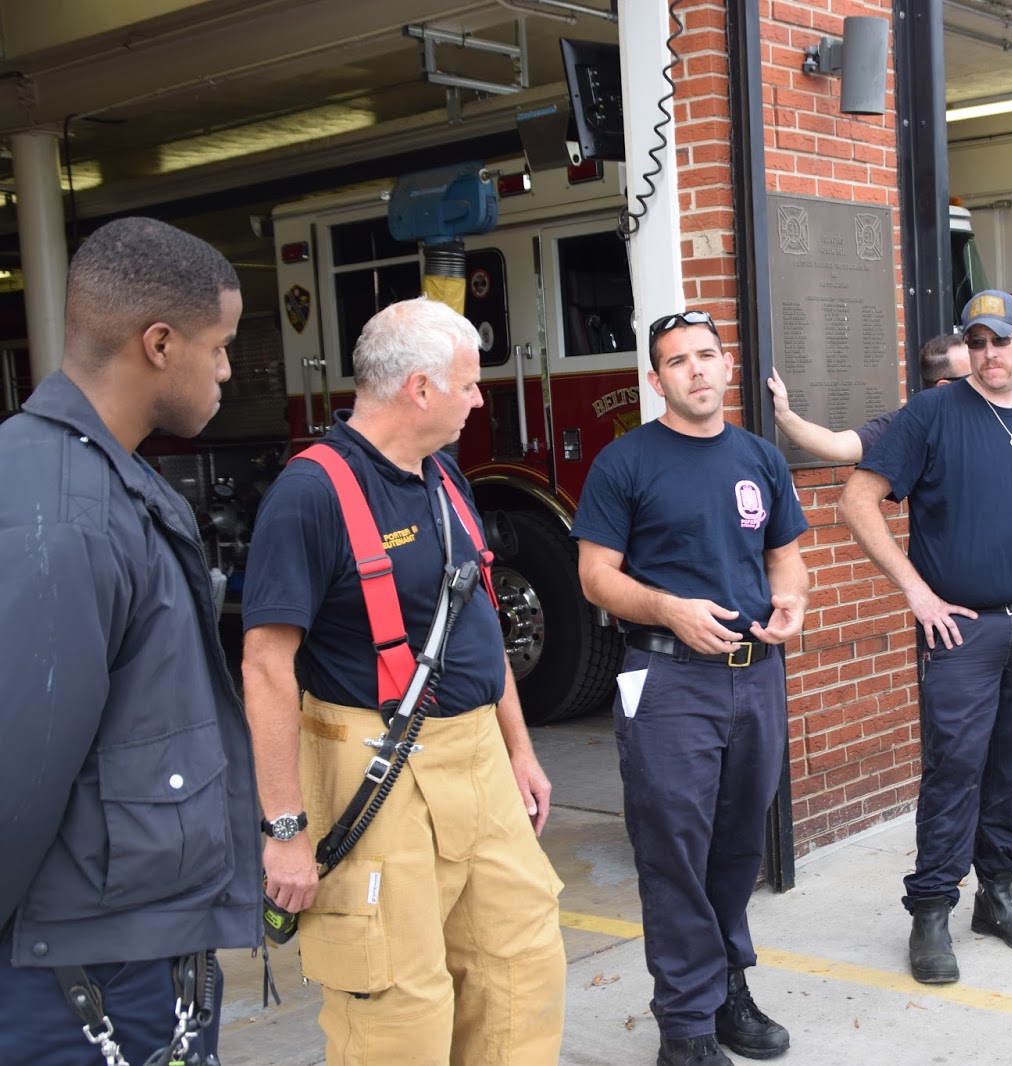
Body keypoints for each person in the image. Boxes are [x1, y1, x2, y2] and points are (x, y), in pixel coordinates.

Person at [241, 297, 565, 1065]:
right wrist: (285, 831)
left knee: (518, 964)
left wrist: (518, 749)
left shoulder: (444, 476)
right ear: (419, 389)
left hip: (478, 756)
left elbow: (475, 619)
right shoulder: (309, 494)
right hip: (374, 760)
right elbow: (264, 666)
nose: (481, 398)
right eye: (469, 384)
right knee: (398, 1005)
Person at [0, 217, 257, 1064]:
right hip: (77, 976)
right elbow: (16, 767)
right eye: (218, 346)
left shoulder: (114, 479)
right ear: (158, 343)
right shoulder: (65, 511)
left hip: (125, 947)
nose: (226, 368)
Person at [840, 290, 1012, 985]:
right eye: (977, 342)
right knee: (955, 769)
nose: (989, 354)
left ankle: (998, 894)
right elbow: (857, 500)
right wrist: (914, 589)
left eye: (1000, 340)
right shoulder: (931, 414)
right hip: (964, 633)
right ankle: (931, 911)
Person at [573, 309, 809, 1066]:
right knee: (675, 848)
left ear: (727, 365)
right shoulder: (626, 463)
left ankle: (727, 989)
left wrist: (792, 601)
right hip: (665, 680)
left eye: (707, 355)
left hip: (755, 678)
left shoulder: (759, 458)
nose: (697, 370)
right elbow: (594, 577)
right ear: (657, 379)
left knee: (739, 848)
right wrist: (669, 609)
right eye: (678, 362)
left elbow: (785, 558)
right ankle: (686, 1027)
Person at [769, 334, 1012, 857]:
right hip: (964, 620)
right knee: (962, 751)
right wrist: (785, 415)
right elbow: (840, 449)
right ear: (944, 383)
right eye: (971, 368)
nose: (988, 371)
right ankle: (948, 878)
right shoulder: (920, 418)